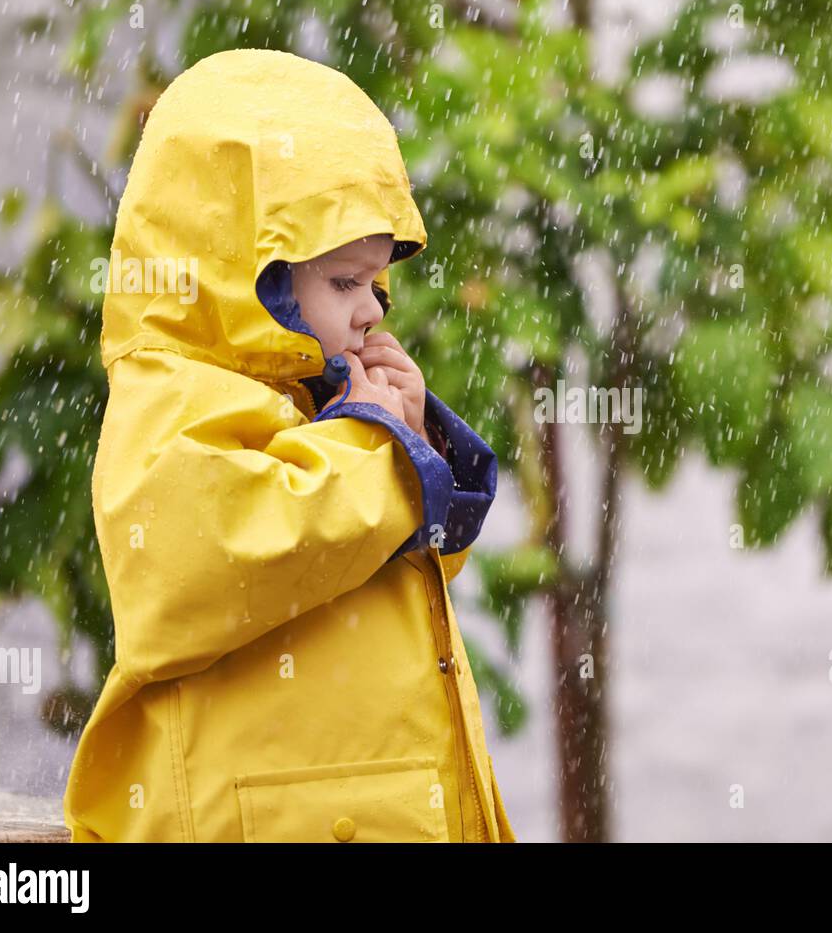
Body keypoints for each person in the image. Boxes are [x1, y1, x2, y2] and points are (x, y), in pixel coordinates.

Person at [62, 47, 516, 842]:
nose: (373, 310)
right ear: (246, 277)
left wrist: (417, 440)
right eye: (344, 282)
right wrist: (383, 458)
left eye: (378, 284)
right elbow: (218, 560)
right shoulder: (170, 403)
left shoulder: (323, 404)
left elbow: (392, 574)